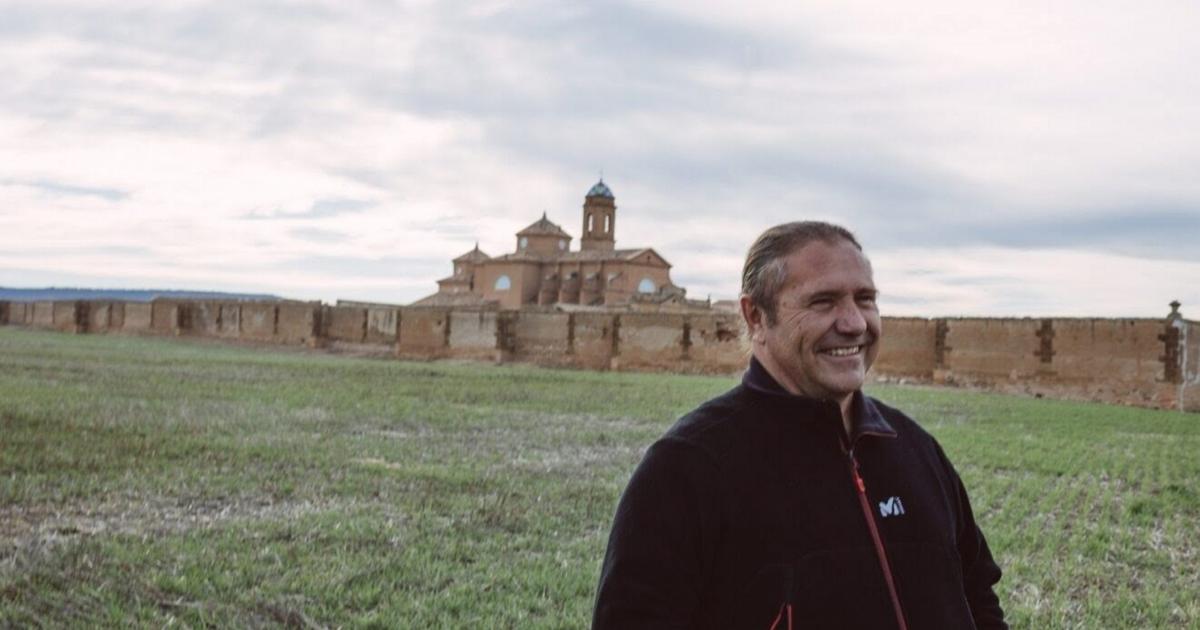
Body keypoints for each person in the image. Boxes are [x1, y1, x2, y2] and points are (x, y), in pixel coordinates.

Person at [592, 221, 1007, 629]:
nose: (855, 323)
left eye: (865, 299)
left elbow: (978, 598)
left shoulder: (915, 447)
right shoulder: (687, 468)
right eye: (823, 302)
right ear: (756, 317)